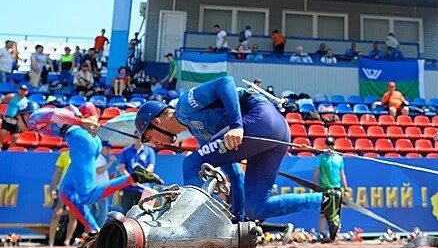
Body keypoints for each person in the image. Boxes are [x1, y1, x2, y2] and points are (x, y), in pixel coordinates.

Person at [134, 75, 340, 230]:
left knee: (190, 163)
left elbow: (225, 82)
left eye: (150, 138)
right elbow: (234, 175)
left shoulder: (184, 106)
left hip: (261, 118)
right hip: (277, 132)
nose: (155, 144)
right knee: (256, 208)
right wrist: (238, 222)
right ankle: (324, 200)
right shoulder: (199, 133)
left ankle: (190, 228)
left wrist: (236, 126)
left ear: (157, 122)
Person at [27, 106, 163, 237]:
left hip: (80, 141)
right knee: (66, 193)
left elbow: (46, 117)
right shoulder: (74, 118)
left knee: (86, 195)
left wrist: (80, 122)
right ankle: (93, 229)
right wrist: (93, 118)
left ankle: (132, 178)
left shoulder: (59, 115)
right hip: (88, 141)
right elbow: (89, 105)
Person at [314, 136, 347, 240]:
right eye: (328, 144)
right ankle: (322, 233)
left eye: (331, 144)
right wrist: (314, 186)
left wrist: (345, 188)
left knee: (336, 214)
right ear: (325, 145)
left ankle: (335, 234)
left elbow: (342, 174)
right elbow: (316, 173)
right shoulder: (320, 158)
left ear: (334, 146)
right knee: (323, 213)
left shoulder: (339, 158)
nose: (330, 146)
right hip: (325, 189)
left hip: (336, 188)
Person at [47, 149, 78, 247]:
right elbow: (57, 173)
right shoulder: (64, 155)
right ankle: (51, 241)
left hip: (76, 189)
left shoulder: (82, 157)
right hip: (63, 188)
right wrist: (53, 188)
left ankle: (67, 241)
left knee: (73, 215)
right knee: (57, 213)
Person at [117, 139, 157, 214]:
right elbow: (121, 167)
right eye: (136, 137)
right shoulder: (126, 151)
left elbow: (151, 167)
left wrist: (139, 179)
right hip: (128, 189)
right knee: (126, 214)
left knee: (142, 214)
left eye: (141, 137)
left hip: (144, 190)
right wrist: (131, 179)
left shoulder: (149, 151)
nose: (138, 139)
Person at [91, 145, 116, 229]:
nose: (108, 151)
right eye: (106, 148)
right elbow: (98, 170)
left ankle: (91, 234)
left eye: (109, 149)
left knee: (94, 214)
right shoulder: (99, 157)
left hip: (98, 190)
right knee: (102, 215)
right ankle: (98, 235)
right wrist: (110, 163)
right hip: (99, 191)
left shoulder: (102, 158)